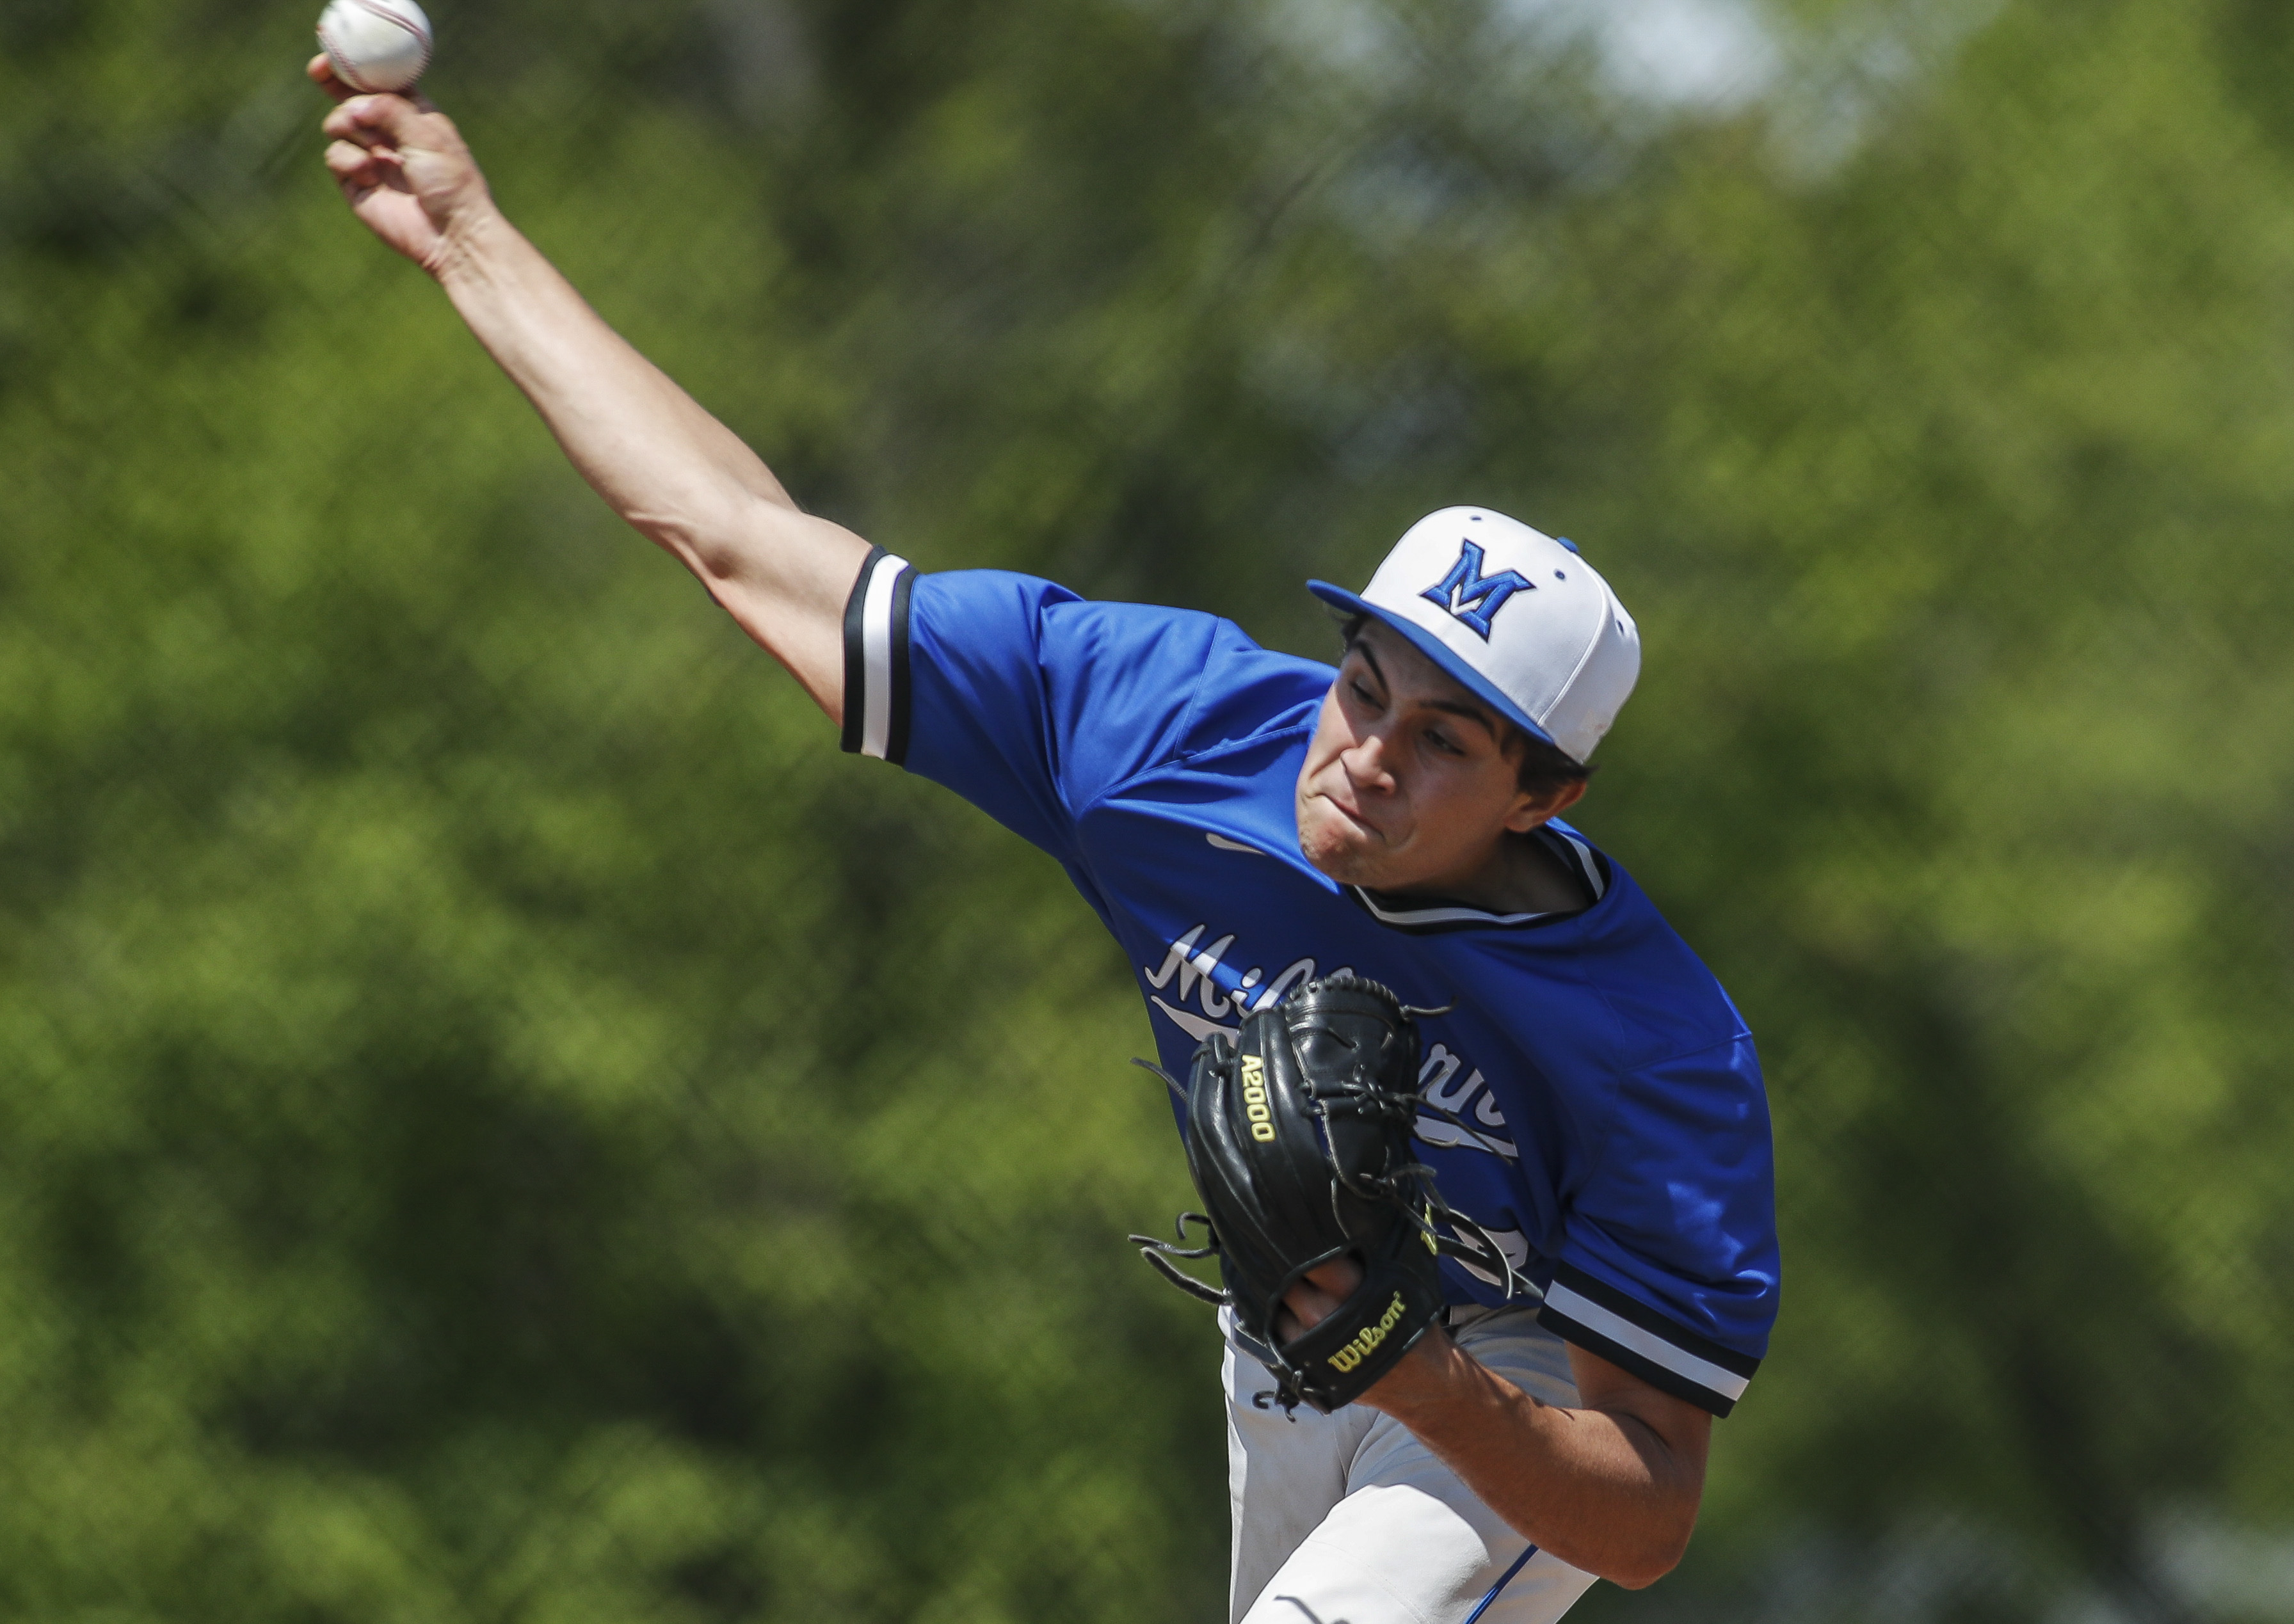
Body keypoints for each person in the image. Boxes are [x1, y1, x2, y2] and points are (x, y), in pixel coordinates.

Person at [310, 63, 1779, 1624]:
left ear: (1541, 800)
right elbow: (740, 539)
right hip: (1292, 1332)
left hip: (1507, 1385)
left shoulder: (1656, 1049)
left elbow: (1647, 1512)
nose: (1365, 755)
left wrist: (1412, 1372)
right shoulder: (1158, 722)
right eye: (1364, 689)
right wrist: (469, 237)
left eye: (1444, 741)